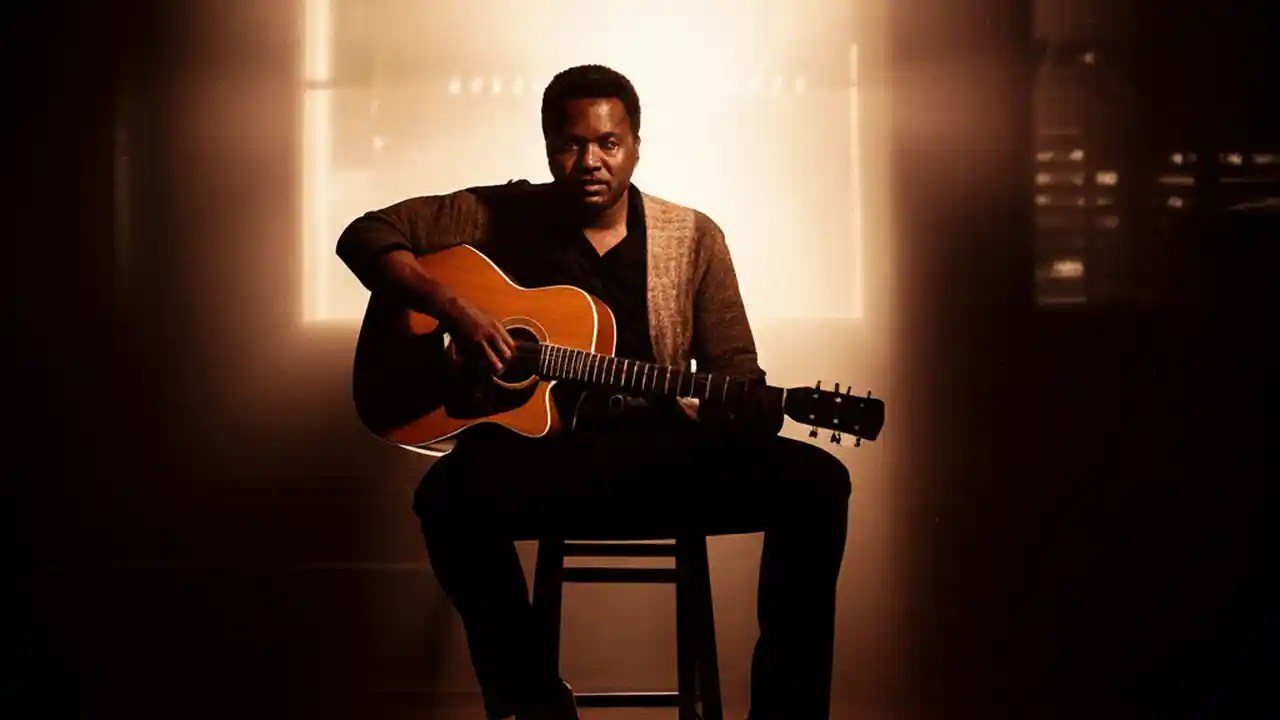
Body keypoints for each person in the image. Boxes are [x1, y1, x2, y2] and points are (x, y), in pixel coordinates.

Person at [336, 64, 851, 720]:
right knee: (444, 501)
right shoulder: (502, 213)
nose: (590, 161)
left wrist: (724, 412)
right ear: (549, 145)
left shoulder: (692, 237)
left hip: (663, 463)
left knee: (818, 484)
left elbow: (737, 373)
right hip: (544, 464)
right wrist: (458, 311)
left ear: (636, 145)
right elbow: (366, 235)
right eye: (571, 144)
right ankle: (535, 701)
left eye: (609, 144)